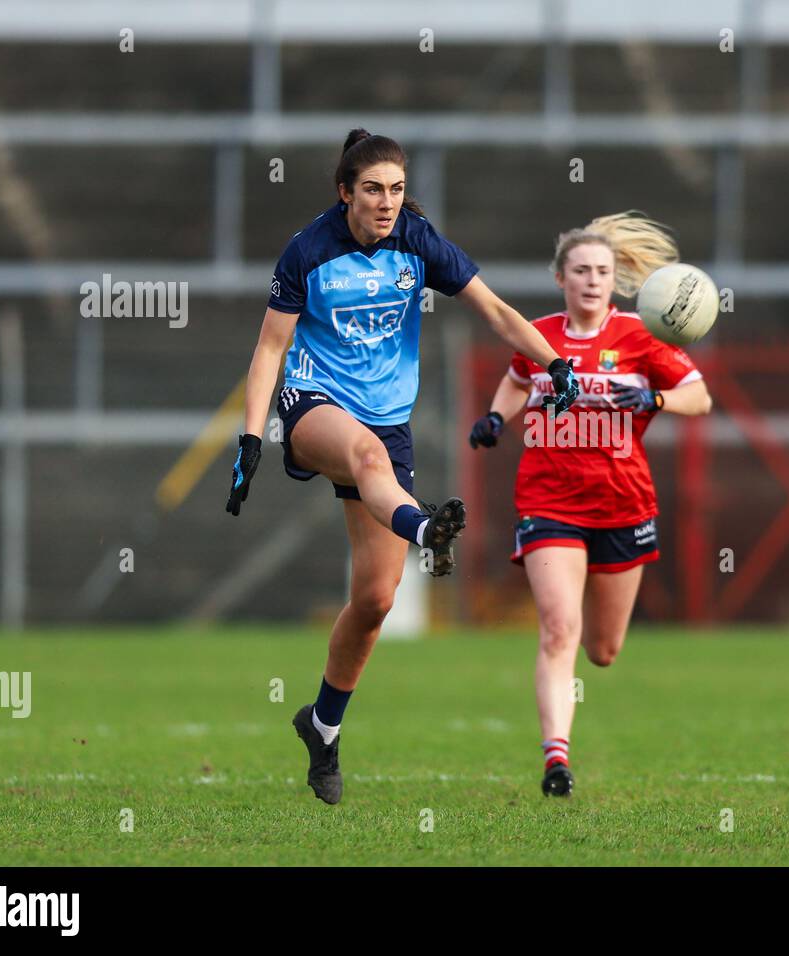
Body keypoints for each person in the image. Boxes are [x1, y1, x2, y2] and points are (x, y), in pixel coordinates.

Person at [225, 128, 581, 805]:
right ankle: (426, 533)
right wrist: (250, 439)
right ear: (344, 193)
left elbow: (497, 311)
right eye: (372, 191)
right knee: (363, 457)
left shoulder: (418, 242)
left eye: (394, 189)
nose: (386, 202)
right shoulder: (308, 250)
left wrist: (554, 361)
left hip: (388, 425)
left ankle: (323, 727)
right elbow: (270, 349)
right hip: (314, 407)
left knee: (376, 600)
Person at [468, 212, 713, 796]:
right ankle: (557, 760)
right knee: (558, 630)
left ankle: (580, 680)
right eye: (581, 270)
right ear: (561, 278)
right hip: (547, 502)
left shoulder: (642, 335)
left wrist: (651, 393)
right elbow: (520, 378)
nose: (593, 280)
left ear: (616, 279)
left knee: (601, 650)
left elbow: (698, 398)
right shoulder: (540, 334)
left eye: (602, 270)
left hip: (623, 505)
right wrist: (495, 418)